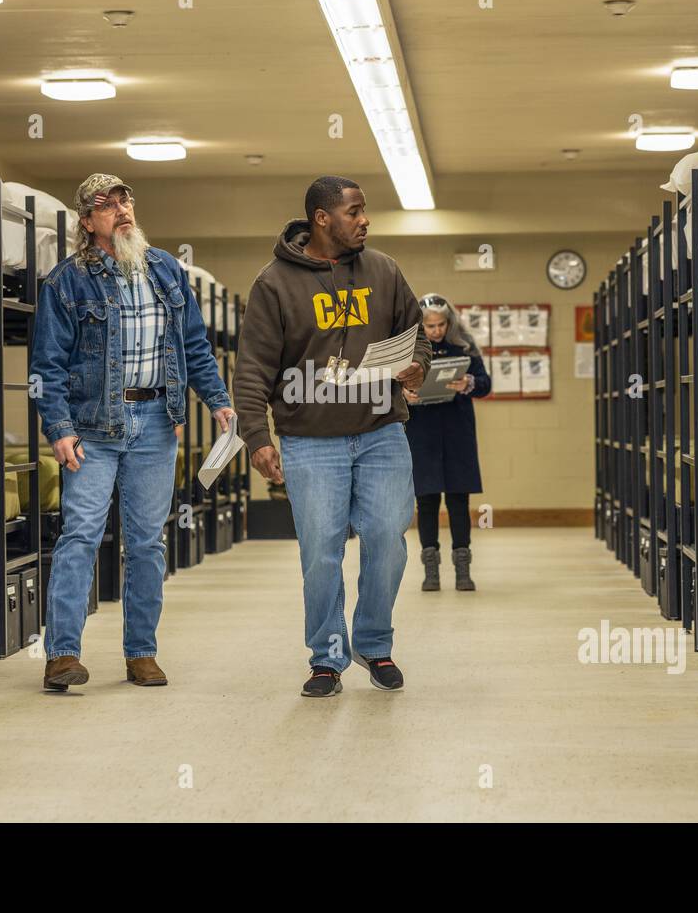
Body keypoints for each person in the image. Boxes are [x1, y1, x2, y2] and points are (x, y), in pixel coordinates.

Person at [31, 173, 234, 692]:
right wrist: (58, 429)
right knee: (80, 537)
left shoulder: (166, 270)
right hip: (93, 429)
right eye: (107, 203)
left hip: (156, 426)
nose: (121, 209)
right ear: (87, 220)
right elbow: (47, 366)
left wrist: (218, 401)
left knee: (147, 543)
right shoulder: (65, 282)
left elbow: (195, 347)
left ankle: (141, 652)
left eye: (125, 200)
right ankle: (63, 655)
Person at [233, 176, 430, 698]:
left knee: (388, 539)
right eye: (354, 211)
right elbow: (252, 369)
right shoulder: (274, 283)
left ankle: (373, 641)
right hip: (309, 440)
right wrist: (257, 438)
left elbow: (416, 335)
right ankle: (326, 656)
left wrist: (417, 368)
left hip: (381, 432)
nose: (365, 220)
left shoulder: (384, 271)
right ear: (322, 218)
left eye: (365, 212)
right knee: (321, 551)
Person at [404, 294, 491, 591]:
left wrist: (469, 383)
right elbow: (388, 386)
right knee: (426, 501)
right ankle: (431, 570)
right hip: (422, 432)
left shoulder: (463, 345)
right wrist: (404, 395)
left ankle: (463, 569)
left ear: (450, 322)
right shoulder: (407, 348)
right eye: (429, 326)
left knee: (458, 500)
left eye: (441, 325)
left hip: (456, 432)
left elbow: (485, 383)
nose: (436, 331)